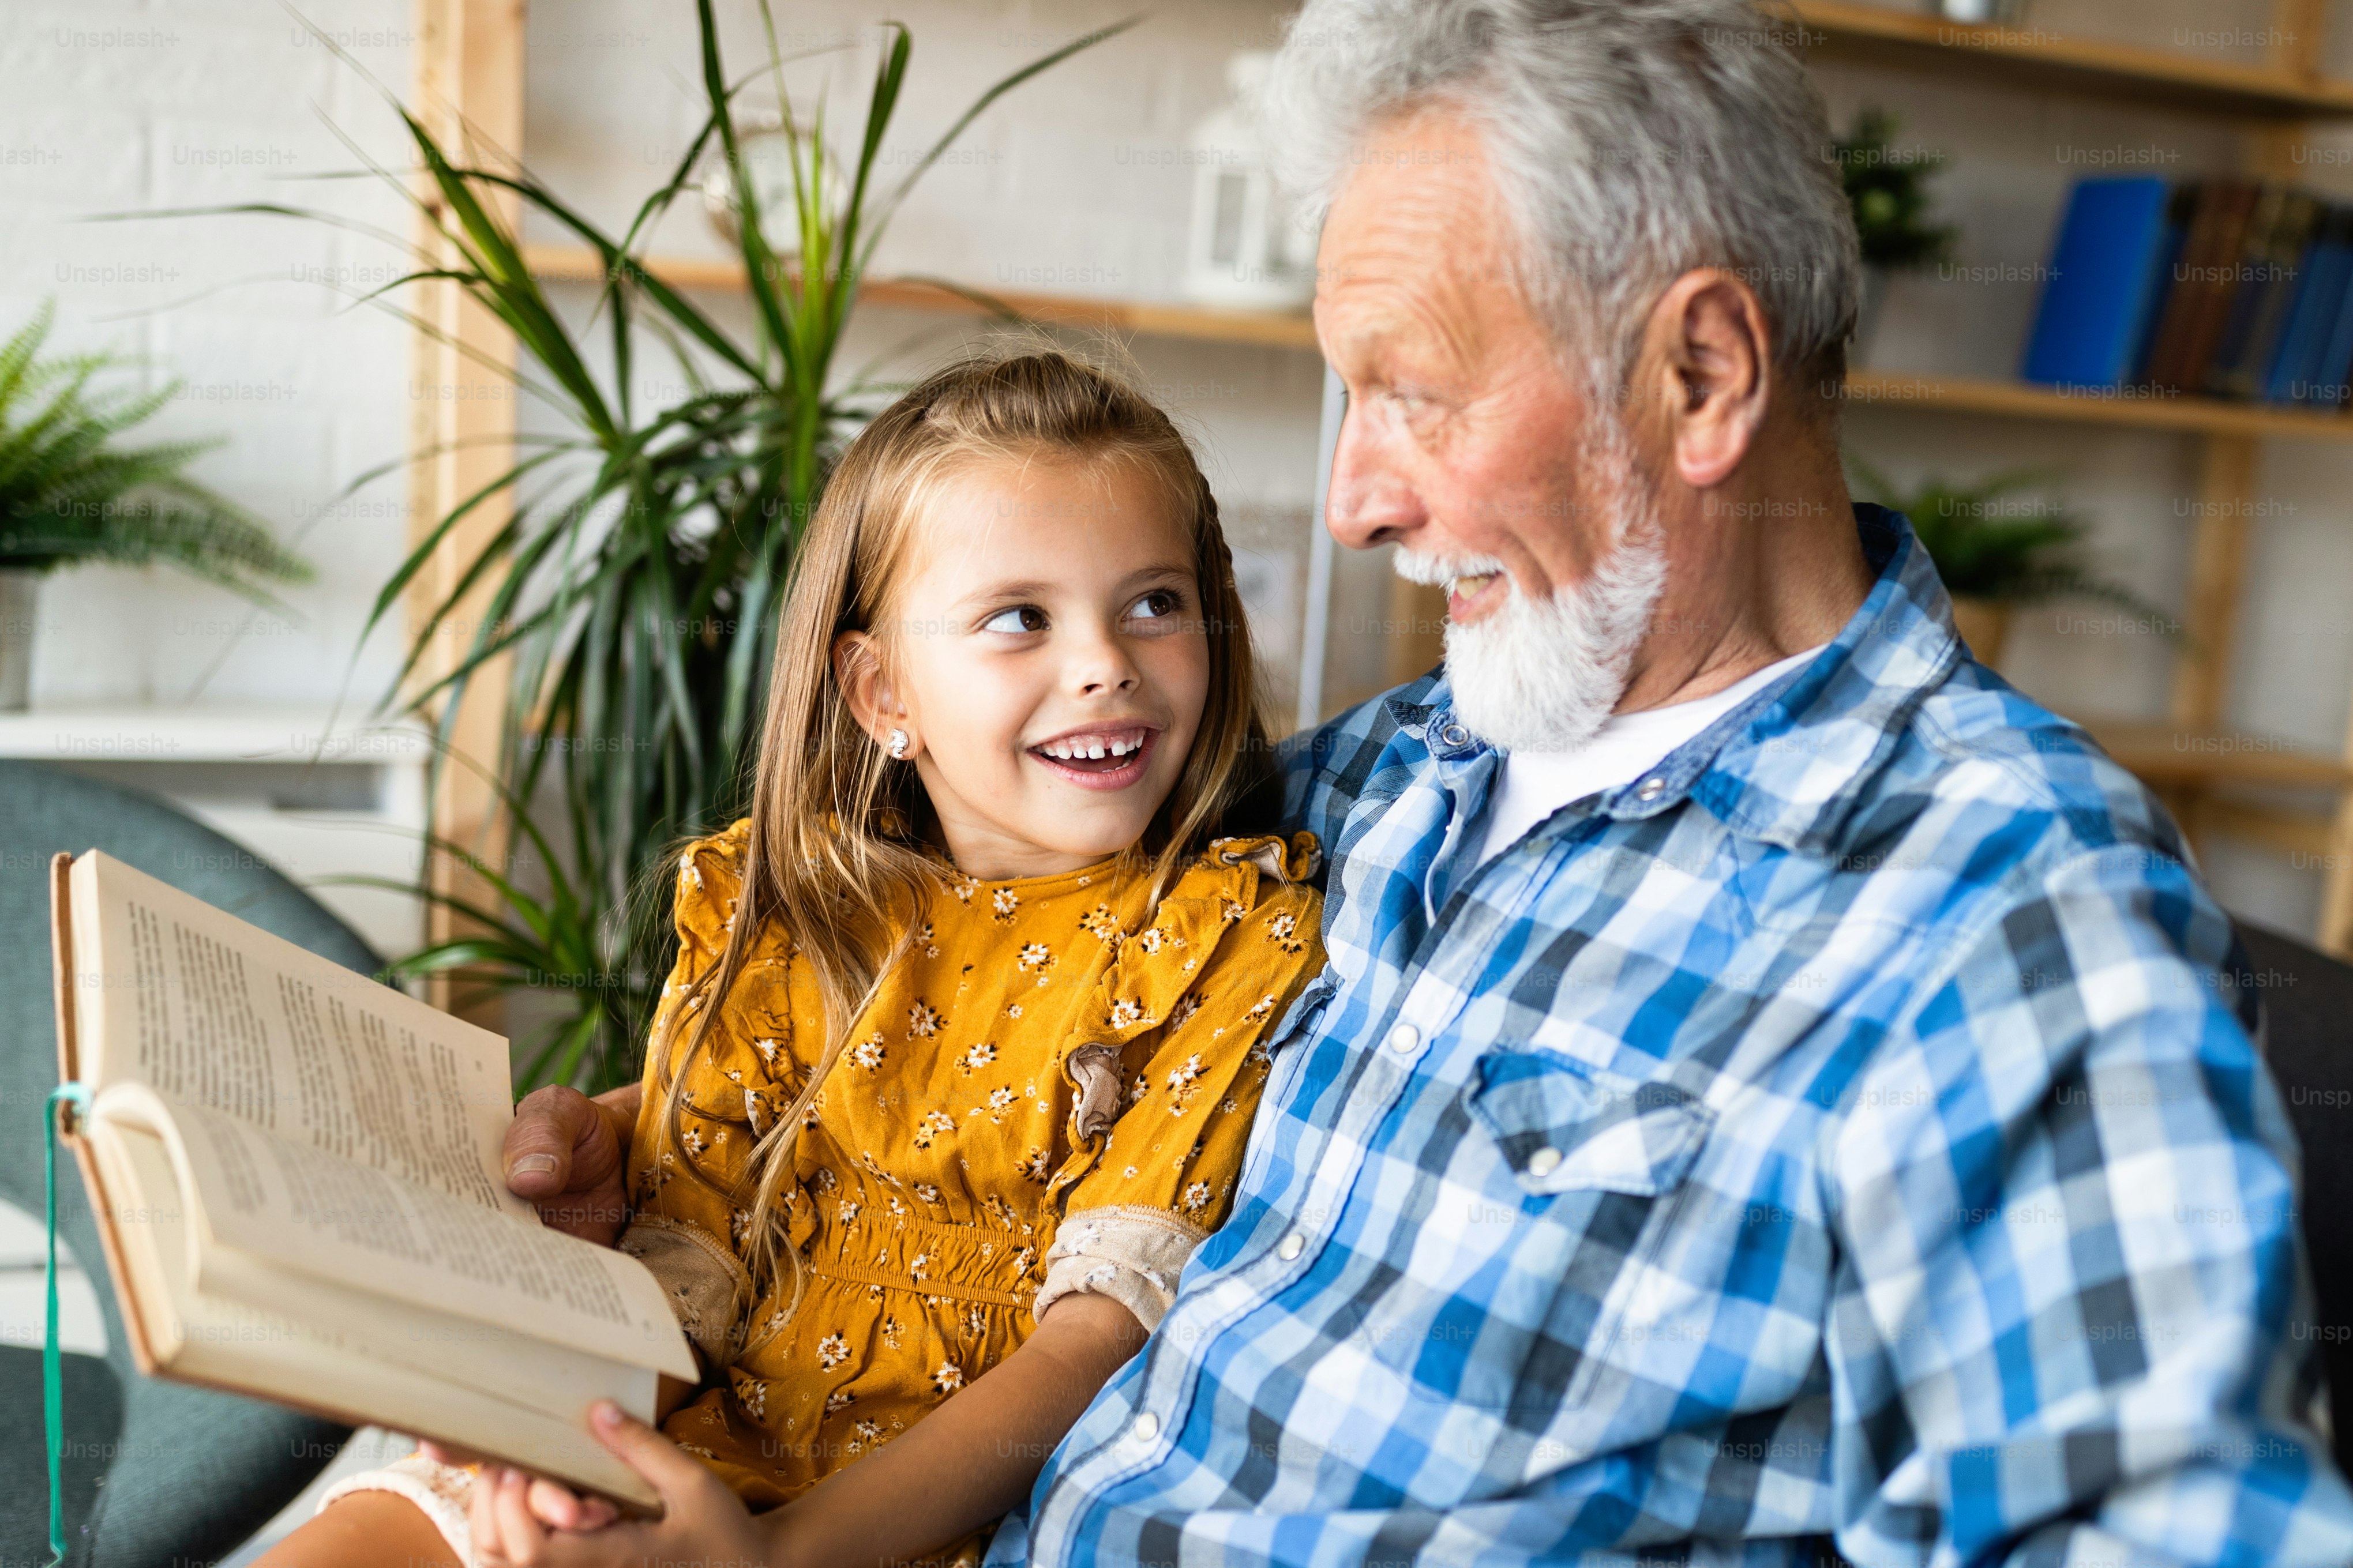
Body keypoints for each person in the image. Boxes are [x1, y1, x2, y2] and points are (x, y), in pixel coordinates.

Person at [497, 3, 2353, 1564]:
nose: (1362, 503)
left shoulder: (2006, 921)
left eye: (1416, 397)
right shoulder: (1388, 773)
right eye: (1345, 404)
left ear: (1702, 374)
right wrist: (642, 1150)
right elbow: (1005, 967)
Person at [257, 347, 1325, 1568]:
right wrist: (559, 1465)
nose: (1107, 663)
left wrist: (776, 1557)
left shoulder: (1226, 933)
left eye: (1155, 601)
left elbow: (1096, 1341)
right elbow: (680, 1256)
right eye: (1020, 617)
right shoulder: (784, 912)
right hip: (667, 1435)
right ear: (881, 695)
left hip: (902, 1522)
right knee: (354, 1543)